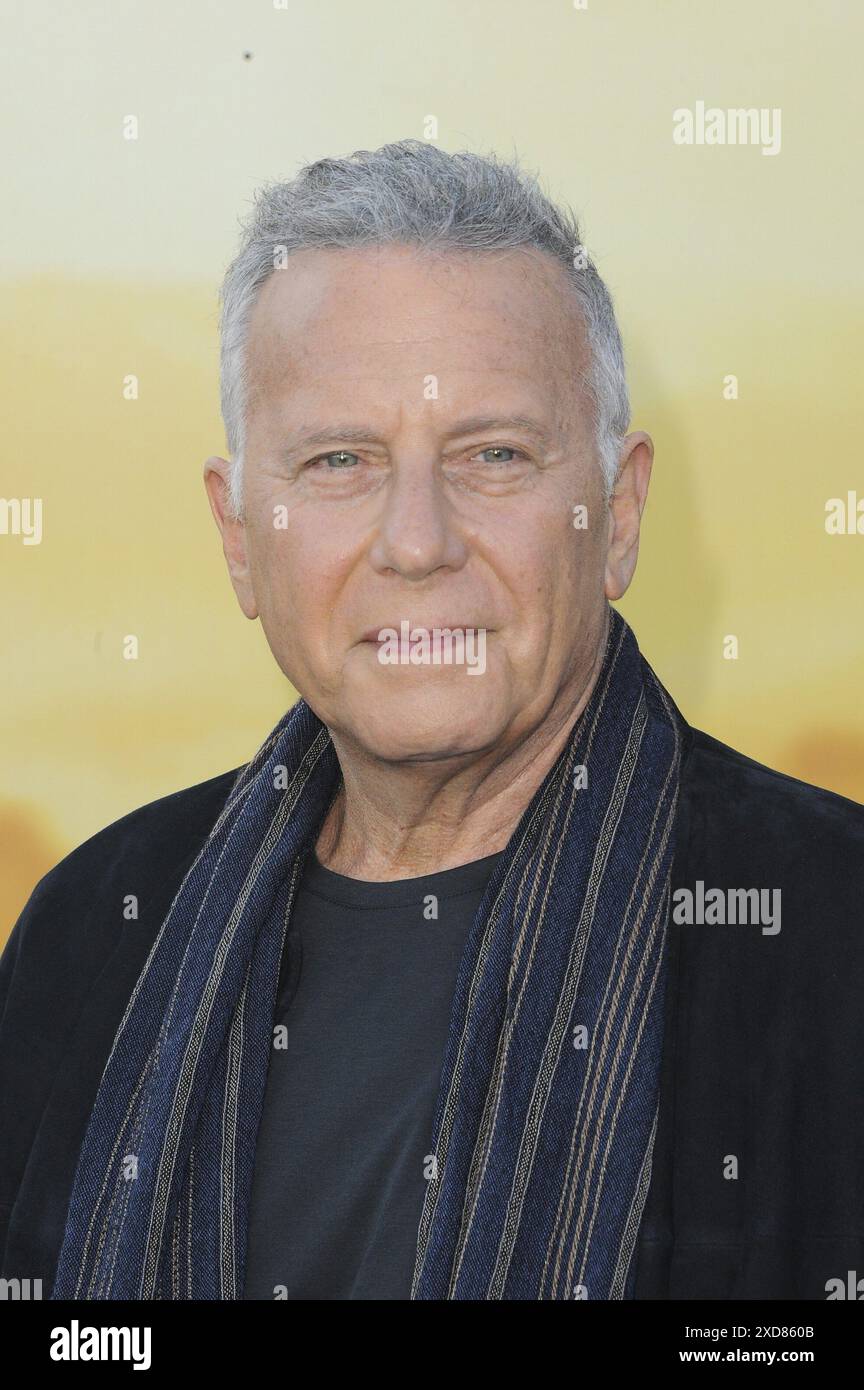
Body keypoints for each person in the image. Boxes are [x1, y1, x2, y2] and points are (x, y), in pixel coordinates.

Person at [2, 140, 862, 1302]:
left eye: (494, 455)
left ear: (618, 514)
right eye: (340, 460)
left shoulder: (830, 931)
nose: (417, 541)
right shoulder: (95, 930)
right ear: (239, 536)